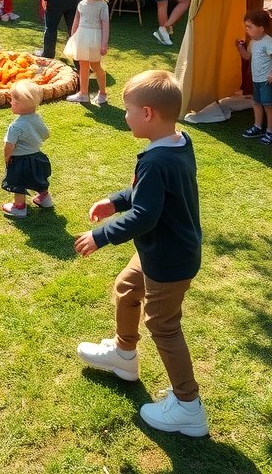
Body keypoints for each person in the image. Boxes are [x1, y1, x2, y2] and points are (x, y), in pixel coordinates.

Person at [74, 70, 208, 438]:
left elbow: (145, 214)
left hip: (168, 258)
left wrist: (100, 235)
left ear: (147, 113)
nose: (124, 116)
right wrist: (116, 200)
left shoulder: (156, 160)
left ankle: (187, 406)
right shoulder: (178, 143)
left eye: (127, 110)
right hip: (164, 248)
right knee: (127, 288)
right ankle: (124, 355)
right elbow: (150, 195)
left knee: (163, 326)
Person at [0, 80, 53, 218]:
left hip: (20, 160)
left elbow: (9, 145)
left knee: (19, 184)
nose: (10, 102)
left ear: (17, 104)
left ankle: (19, 207)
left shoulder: (15, 126)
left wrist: (7, 157)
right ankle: (45, 199)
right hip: (36, 156)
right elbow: (46, 134)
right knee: (38, 179)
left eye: (12, 100)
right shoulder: (37, 119)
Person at [63, 0, 110, 106]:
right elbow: (76, 21)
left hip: (94, 37)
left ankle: (102, 93)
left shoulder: (102, 4)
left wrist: (104, 44)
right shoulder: (81, 3)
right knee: (83, 65)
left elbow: (105, 25)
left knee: (96, 66)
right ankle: (83, 93)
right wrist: (73, 36)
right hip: (82, 37)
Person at [235, 9, 272, 144]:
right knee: (256, 103)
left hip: (266, 80)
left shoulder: (268, 41)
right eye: (246, 27)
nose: (247, 30)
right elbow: (248, 57)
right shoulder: (253, 42)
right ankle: (258, 126)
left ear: (261, 28)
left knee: (269, 105)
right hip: (257, 79)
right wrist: (239, 48)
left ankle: (271, 131)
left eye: (250, 27)